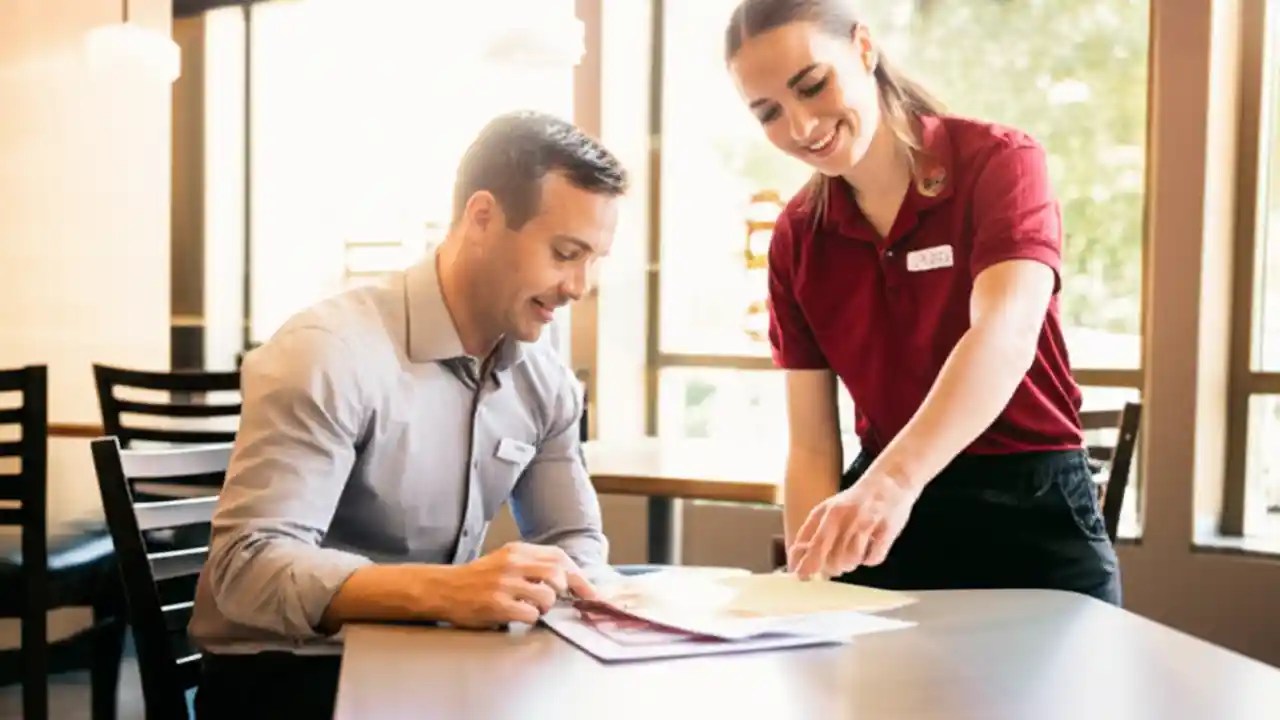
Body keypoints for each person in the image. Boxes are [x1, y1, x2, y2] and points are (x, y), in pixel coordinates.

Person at [189, 110, 628, 718]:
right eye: (565, 253)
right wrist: (448, 592)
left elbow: (569, 538)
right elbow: (248, 566)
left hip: (432, 663)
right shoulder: (328, 351)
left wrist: (585, 599)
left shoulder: (542, 376)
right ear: (482, 218)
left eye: (594, 260)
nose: (579, 286)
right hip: (288, 676)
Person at [724, 0, 1120, 604]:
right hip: (888, 525)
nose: (801, 127)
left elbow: (1004, 336)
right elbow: (810, 446)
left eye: (812, 85)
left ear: (863, 49)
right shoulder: (797, 238)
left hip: (1031, 509)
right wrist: (808, 585)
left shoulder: (1000, 162)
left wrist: (891, 482)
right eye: (770, 113)